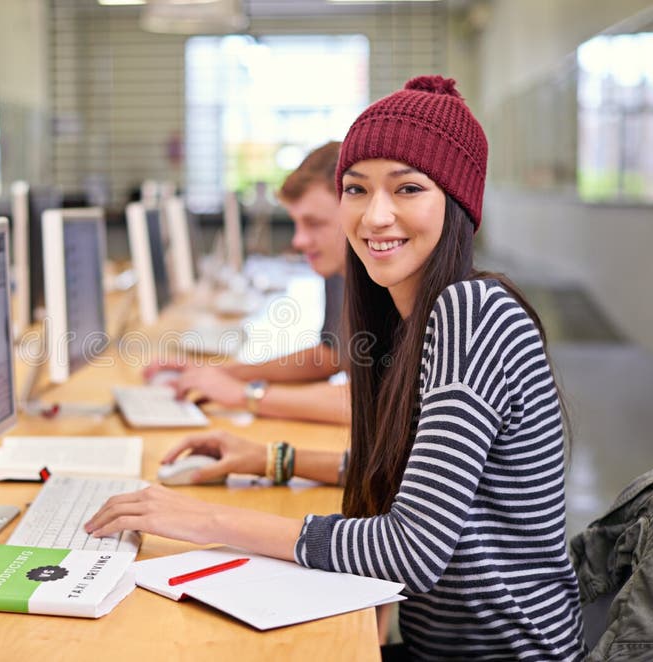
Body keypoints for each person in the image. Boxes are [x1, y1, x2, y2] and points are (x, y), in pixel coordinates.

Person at [88, 76, 586, 659]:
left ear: (456, 205)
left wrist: (203, 521)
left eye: (407, 189)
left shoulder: (471, 312)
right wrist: (275, 459)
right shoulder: (408, 313)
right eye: (356, 189)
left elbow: (410, 549)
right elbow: (416, 478)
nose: (375, 216)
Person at [147, 141, 351, 425]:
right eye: (296, 223)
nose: (297, 241)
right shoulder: (341, 268)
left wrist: (246, 395)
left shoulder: (391, 281)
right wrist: (220, 375)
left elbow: (369, 404)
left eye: (314, 223)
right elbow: (332, 356)